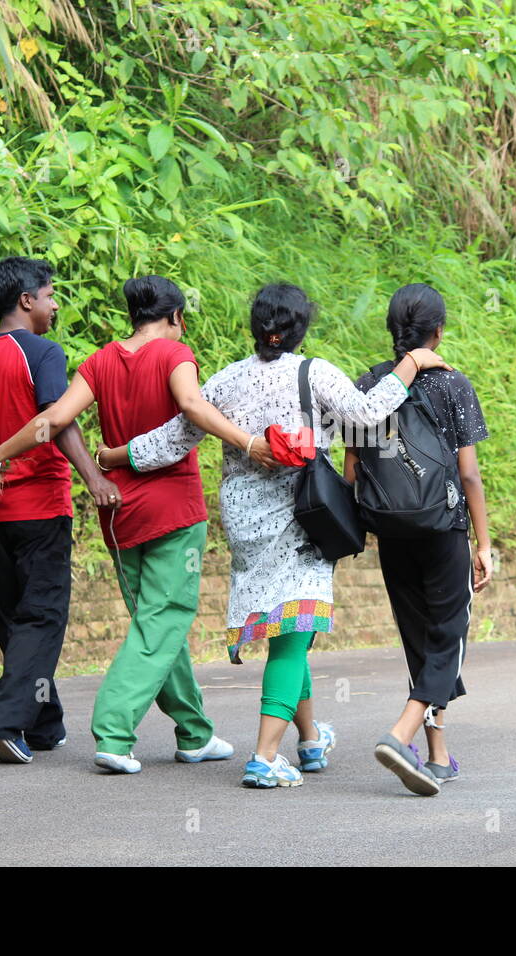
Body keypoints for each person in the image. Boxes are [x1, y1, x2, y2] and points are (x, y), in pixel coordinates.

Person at [110, 282, 449, 789]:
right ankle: (265, 756)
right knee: (291, 636)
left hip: (245, 521)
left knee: (290, 623)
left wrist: (115, 456)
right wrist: (413, 363)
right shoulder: (313, 374)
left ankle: (310, 739)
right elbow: (366, 414)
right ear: (300, 328)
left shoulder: (226, 381)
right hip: (303, 517)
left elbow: (174, 438)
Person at [0, 275, 275, 775]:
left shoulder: (100, 361)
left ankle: (194, 733)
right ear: (175, 317)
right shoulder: (177, 355)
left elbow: (53, 420)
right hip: (173, 512)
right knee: (164, 619)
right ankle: (113, 731)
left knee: (155, 624)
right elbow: (193, 406)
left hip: (120, 515)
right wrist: (248, 443)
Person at [0, 256, 119, 764]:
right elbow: (56, 418)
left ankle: (43, 722)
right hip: (41, 506)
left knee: (12, 620)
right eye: (49, 296)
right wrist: (94, 477)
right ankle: (3, 722)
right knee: (41, 617)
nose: (54, 304)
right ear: (26, 300)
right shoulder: (43, 352)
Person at [344, 283, 492, 796]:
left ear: (393, 332)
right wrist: (484, 541)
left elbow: (353, 467)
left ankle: (437, 754)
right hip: (444, 525)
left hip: (392, 529)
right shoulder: (453, 385)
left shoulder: (371, 385)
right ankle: (401, 733)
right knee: (448, 633)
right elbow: (469, 475)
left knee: (418, 636)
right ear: (439, 331)